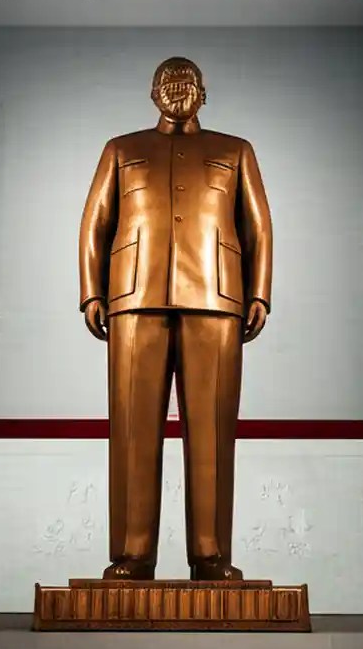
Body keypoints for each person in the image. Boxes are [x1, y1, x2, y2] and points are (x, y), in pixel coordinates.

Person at [78, 57, 273, 581]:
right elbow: (95, 224)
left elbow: (257, 226)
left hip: (216, 299)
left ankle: (211, 556)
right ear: (152, 92)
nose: (179, 89)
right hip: (133, 299)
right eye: (169, 81)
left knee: (212, 433)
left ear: (205, 94)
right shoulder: (122, 149)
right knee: (132, 430)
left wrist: (259, 292)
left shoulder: (235, 151)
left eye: (188, 82)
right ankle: (131, 555)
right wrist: (91, 292)